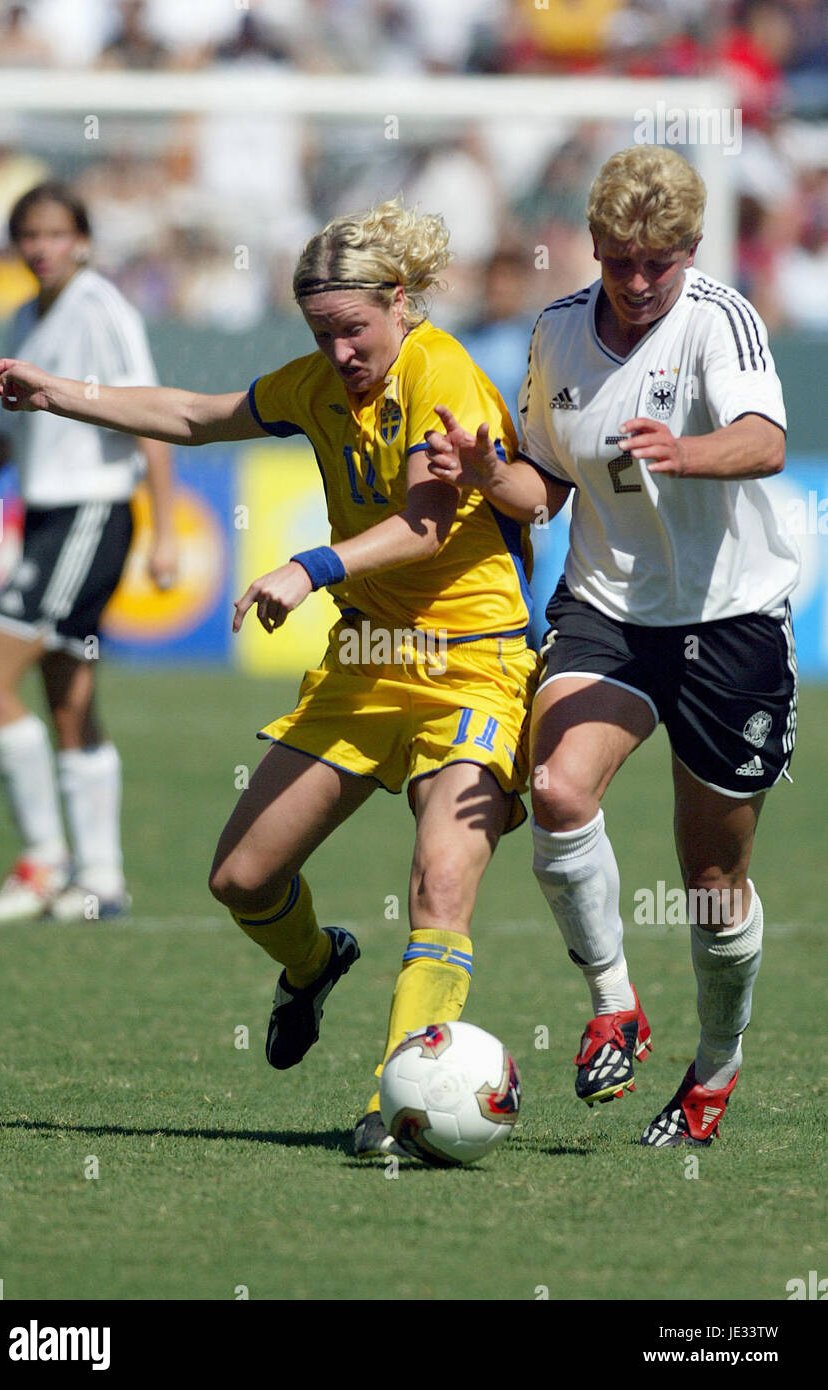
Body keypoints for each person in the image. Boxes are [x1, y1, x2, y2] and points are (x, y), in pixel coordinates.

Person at [0, 199, 540, 1157]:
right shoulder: (319, 385)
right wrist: (56, 393)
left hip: (474, 663)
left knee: (439, 886)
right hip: (366, 663)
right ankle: (317, 963)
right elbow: (195, 417)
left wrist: (307, 566)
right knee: (241, 879)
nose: (338, 352)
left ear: (400, 305)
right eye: (321, 334)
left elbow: (423, 523)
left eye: (352, 330)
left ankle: (396, 1103)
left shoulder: (439, 370)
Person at [425, 144, 799, 1148]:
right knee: (552, 789)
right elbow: (541, 490)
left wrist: (691, 451)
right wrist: (481, 470)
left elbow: (763, 438)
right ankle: (613, 1002)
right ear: (590, 246)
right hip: (606, 608)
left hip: (729, 619)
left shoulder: (717, 318)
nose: (636, 284)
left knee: (712, 880)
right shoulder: (554, 335)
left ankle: (713, 1067)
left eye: (657, 262)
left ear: (687, 252)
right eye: (619, 260)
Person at [0, 181, 176, 923]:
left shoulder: (100, 307)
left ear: (81, 239)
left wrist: (168, 528)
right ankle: (101, 880)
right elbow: (8, 434)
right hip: (49, 517)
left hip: (92, 512)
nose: (41, 247)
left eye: (55, 233)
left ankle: (44, 863)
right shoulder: (25, 316)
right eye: (28, 235)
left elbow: (150, 412)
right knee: (67, 696)